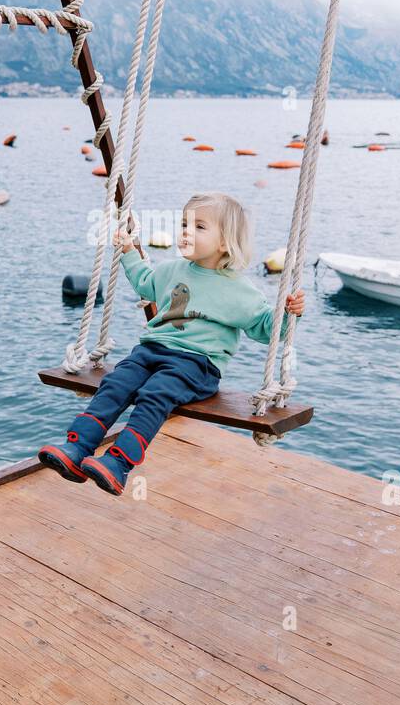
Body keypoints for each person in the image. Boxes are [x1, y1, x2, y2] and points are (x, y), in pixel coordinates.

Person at [38, 191, 305, 496]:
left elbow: (266, 330)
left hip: (197, 364)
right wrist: (127, 251)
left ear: (224, 242)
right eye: (183, 224)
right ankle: (77, 448)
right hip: (151, 350)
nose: (186, 231)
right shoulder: (171, 270)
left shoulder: (240, 291)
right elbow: (144, 281)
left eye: (199, 226)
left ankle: (119, 462)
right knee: (115, 383)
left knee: (155, 393)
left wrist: (288, 313)